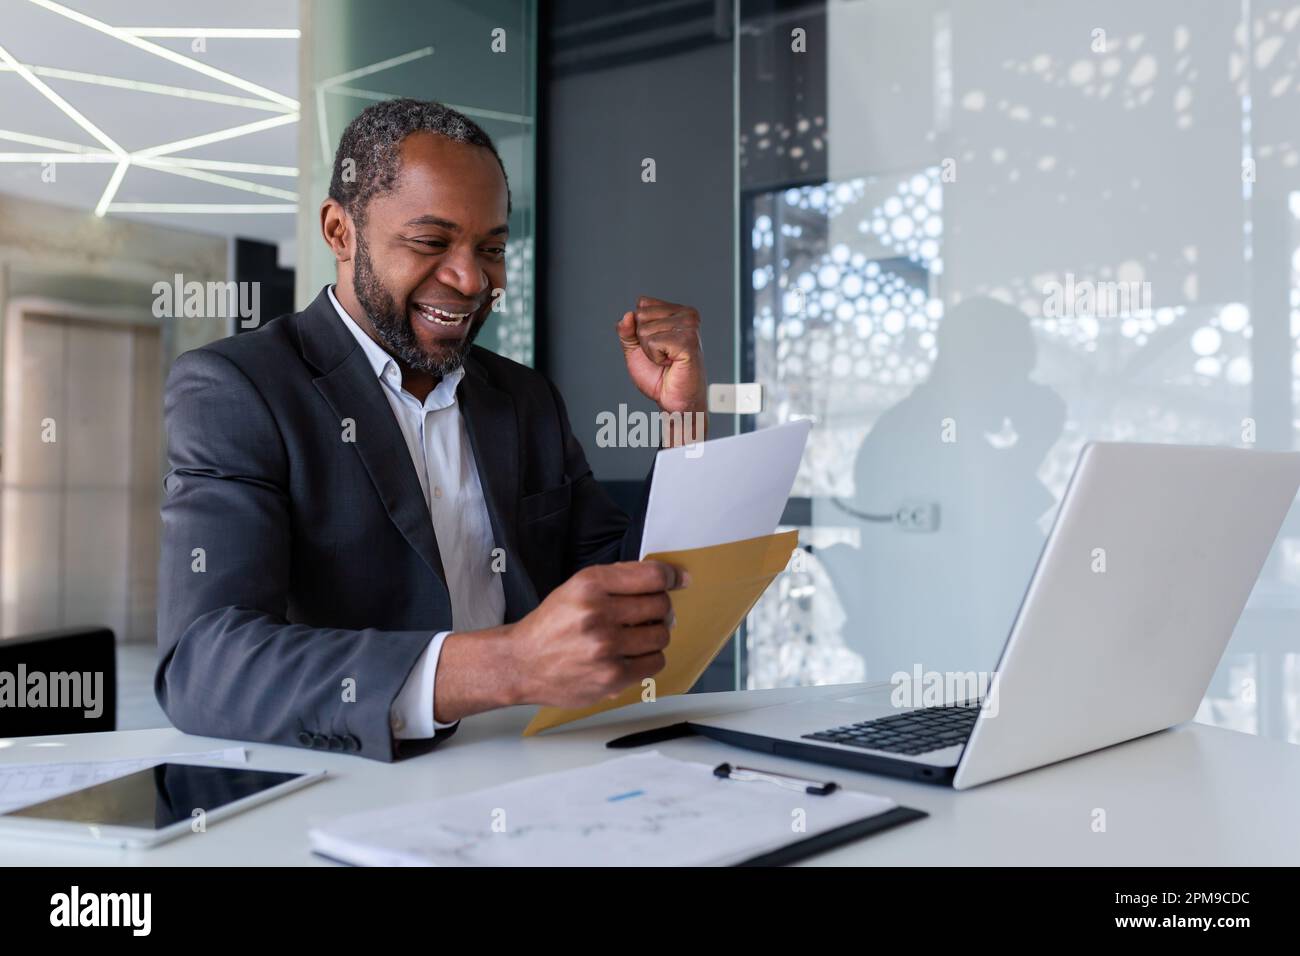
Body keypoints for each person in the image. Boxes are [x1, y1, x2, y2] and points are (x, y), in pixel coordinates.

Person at [155, 99, 708, 760]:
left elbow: (625, 587)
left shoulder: (524, 398)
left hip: (536, 762)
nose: (471, 279)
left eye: (492, 249)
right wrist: (503, 666)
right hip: (354, 787)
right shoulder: (238, 388)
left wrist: (684, 419)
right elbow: (204, 663)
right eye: (431, 241)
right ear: (340, 231)